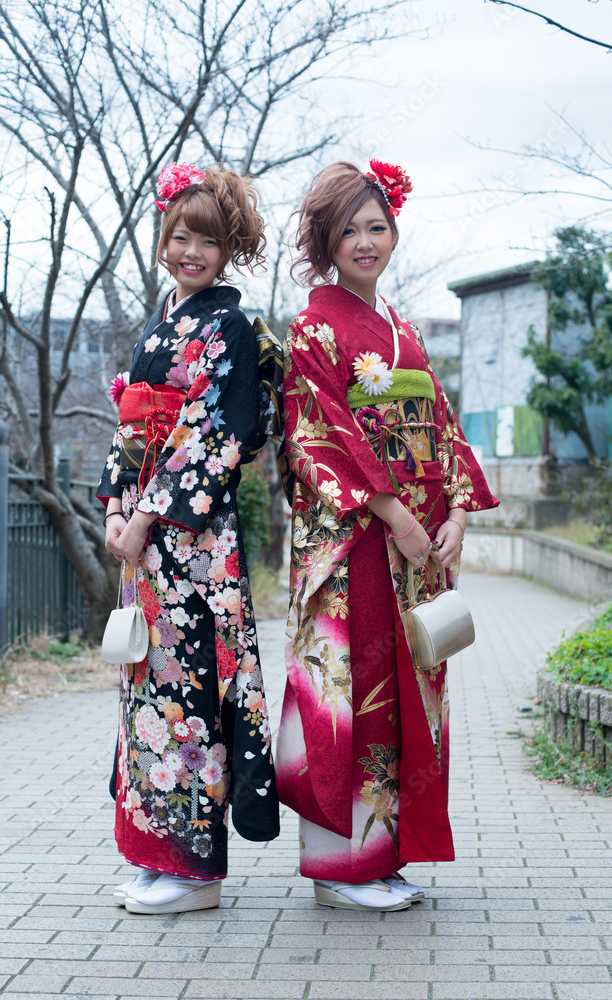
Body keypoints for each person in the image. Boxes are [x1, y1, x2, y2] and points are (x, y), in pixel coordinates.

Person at [275, 159, 498, 911]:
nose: (365, 243)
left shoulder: (401, 328)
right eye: (348, 231)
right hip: (357, 544)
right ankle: (343, 869)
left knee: (406, 697)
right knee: (356, 696)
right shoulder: (313, 325)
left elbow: (442, 425)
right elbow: (316, 436)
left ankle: (384, 856)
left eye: (376, 228)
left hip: (416, 547)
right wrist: (394, 514)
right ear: (325, 241)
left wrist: (457, 513)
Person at [97, 162, 282, 915]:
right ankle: (157, 852)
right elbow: (132, 425)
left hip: (192, 541)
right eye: (178, 237)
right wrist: (112, 501)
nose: (189, 252)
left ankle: (196, 870)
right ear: (161, 242)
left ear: (228, 246)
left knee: (193, 688)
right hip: (147, 537)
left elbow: (221, 434)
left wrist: (146, 514)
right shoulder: (161, 323)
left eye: (206, 240)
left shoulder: (228, 326)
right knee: (148, 681)